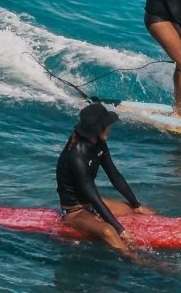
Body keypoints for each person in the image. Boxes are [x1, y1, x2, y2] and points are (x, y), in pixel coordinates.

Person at [56, 102, 155, 255]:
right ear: (97, 129)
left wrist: (137, 205)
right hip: (74, 211)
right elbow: (93, 196)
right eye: (107, 125)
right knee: (108, 231)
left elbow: (114, 175)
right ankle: (137, 260)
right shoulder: (76, 156)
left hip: (90, 203)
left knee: (138, 211)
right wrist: (121, 231)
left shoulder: (99, 144)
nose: (110, 128)